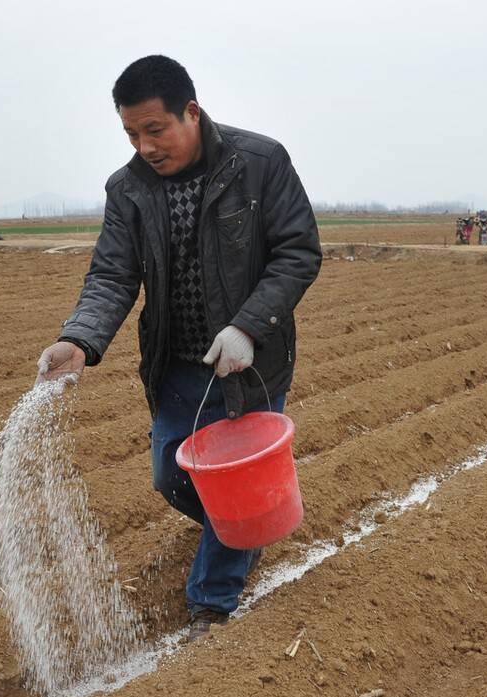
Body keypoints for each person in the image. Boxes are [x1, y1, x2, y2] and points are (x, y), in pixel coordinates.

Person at [34, 55, 322, 642]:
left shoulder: (260, 163)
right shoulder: (128, 190)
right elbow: (112, 276)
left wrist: (248, 326)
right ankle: (243, 531)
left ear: (190, 112)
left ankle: (211, 606)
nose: (144, 146)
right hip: (176, 363)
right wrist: (79, 340)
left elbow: (298, 253)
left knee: (231, 478)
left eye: (154, 130)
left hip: (249, 362)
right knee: (171, 476)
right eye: (131, 134)